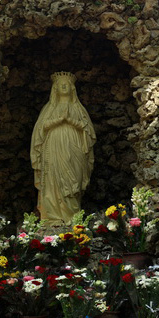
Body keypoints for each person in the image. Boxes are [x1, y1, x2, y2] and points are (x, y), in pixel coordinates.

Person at [30, 72, 96, 226]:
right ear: (55, 88)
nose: (64, 86)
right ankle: (53, 217)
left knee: (73, 180)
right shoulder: (49, 108)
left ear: (72, 88)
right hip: (53, 146)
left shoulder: (79, 109)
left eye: (66, 84)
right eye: (61, 84)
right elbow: (40, 129)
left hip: (74, 147)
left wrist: (72, 121)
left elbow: (89, 133)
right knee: (53, 178)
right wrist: (59, 120)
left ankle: (73, 217)